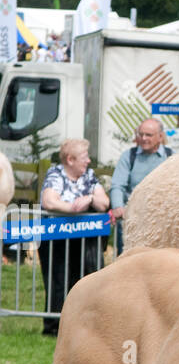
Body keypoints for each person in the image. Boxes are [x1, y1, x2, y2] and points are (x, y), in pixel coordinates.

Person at [38, 138, 109, 336]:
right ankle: (54, 326)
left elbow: (104, 202)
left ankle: (86, 325)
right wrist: (73, 208)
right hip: (56, 238)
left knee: (86, 279)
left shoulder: (89, 176)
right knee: (58, 281)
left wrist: (91, 198)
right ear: (70, 159)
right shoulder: (56, 174)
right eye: (84, 157)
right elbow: (49, 201)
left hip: (85, 239)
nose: (88, 161)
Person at [110, 119, 172, 252]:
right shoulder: (128, 156)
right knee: (128, 262)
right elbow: (117, 185)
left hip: (161, 222)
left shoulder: (171, 156)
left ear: (160, 137)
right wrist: (118, 206)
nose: (143, 138)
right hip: (132, 220)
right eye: (140, 134)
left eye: (148, 135)